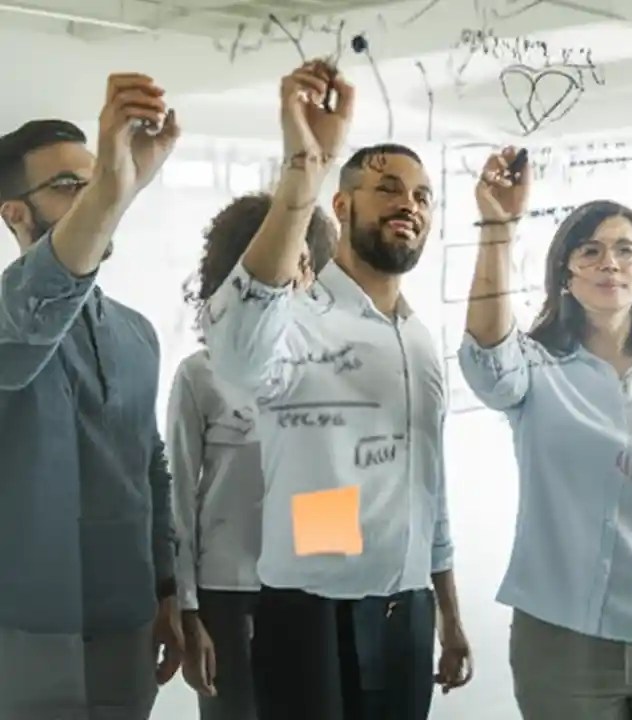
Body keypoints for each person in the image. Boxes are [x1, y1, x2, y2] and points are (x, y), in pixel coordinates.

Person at [201, 61, 471, 719]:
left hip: (407, 611)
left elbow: (427, 490)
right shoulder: (299, 317)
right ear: (343, 206)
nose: (408, 202)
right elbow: (235, 350)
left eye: (422, 194)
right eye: (387, 188)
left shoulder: (418, 337)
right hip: (309, 614)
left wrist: (448, 612)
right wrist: (307, 168)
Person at [459, 148, 632, 720]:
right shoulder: (534, 370)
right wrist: (497, 229)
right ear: (565, 274)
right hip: (565, 641)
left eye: (624, 251)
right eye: (590, 250)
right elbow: (487, 359)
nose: (609, 262)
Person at [0, 77, 184, 718]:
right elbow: (38, 306)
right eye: (70, 186)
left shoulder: (136, 332)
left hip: (126, 624)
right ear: (14, 213)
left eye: (97, 179)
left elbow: (149, 466)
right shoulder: (7, 318)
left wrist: (166, 587)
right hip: (19, 635)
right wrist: (112, 185)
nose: (98, 193)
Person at [169, 192, 336, 719]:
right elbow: (177, 496)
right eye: (284, 258)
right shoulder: (201, 373)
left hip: (310, 588)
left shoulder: (335, 368)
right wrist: (187, 610)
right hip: (228, 593)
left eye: (306, 259)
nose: (296, 271)